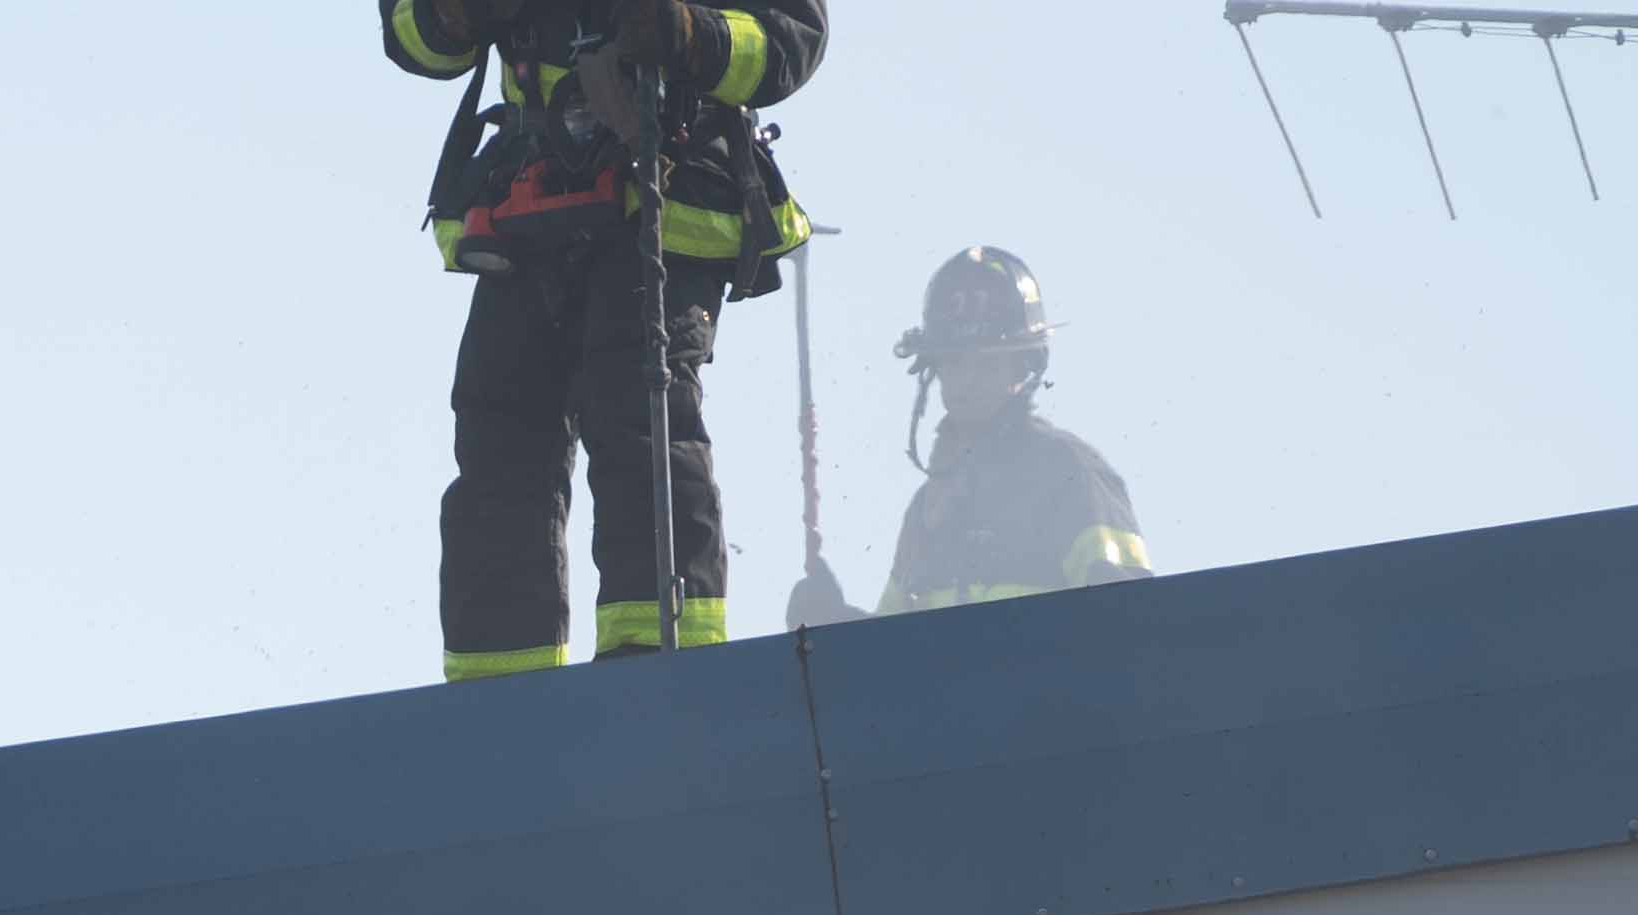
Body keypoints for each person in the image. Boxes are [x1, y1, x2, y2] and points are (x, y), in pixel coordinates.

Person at [385, 0, 829, 676]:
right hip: (529, 204)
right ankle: (498, 685)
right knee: (499, 431)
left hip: (664, 183)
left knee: (638, 411)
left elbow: (789, 38)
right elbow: (412, 35)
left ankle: (659, 659)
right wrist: (455, 13)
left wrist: (688, 31)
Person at [873, 247, 1152, 616]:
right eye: (954, 361)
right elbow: (885, 652)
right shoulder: (926, 509)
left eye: (984, 361)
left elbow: (1133, 622)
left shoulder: (1068, 472)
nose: (966, 379)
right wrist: (831, 627)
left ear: (1023, 366)